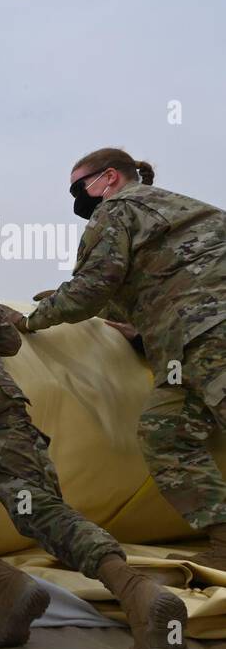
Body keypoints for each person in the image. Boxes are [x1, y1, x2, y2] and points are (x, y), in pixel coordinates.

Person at [0, 262, 187, 649]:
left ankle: (5, 582)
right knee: (36, 505)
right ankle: (135, 590)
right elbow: (8, 343)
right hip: (1, 396)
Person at [26, 149, 226, 592]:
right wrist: (139, 333)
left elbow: (92, 287)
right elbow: (152, 285)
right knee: (165, 430)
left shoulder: (120, 207)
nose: (79, 200)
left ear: (109, 178)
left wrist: (26, 322)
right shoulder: (180, 213)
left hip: (210, 329)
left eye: (80, 188)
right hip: (188, 340)